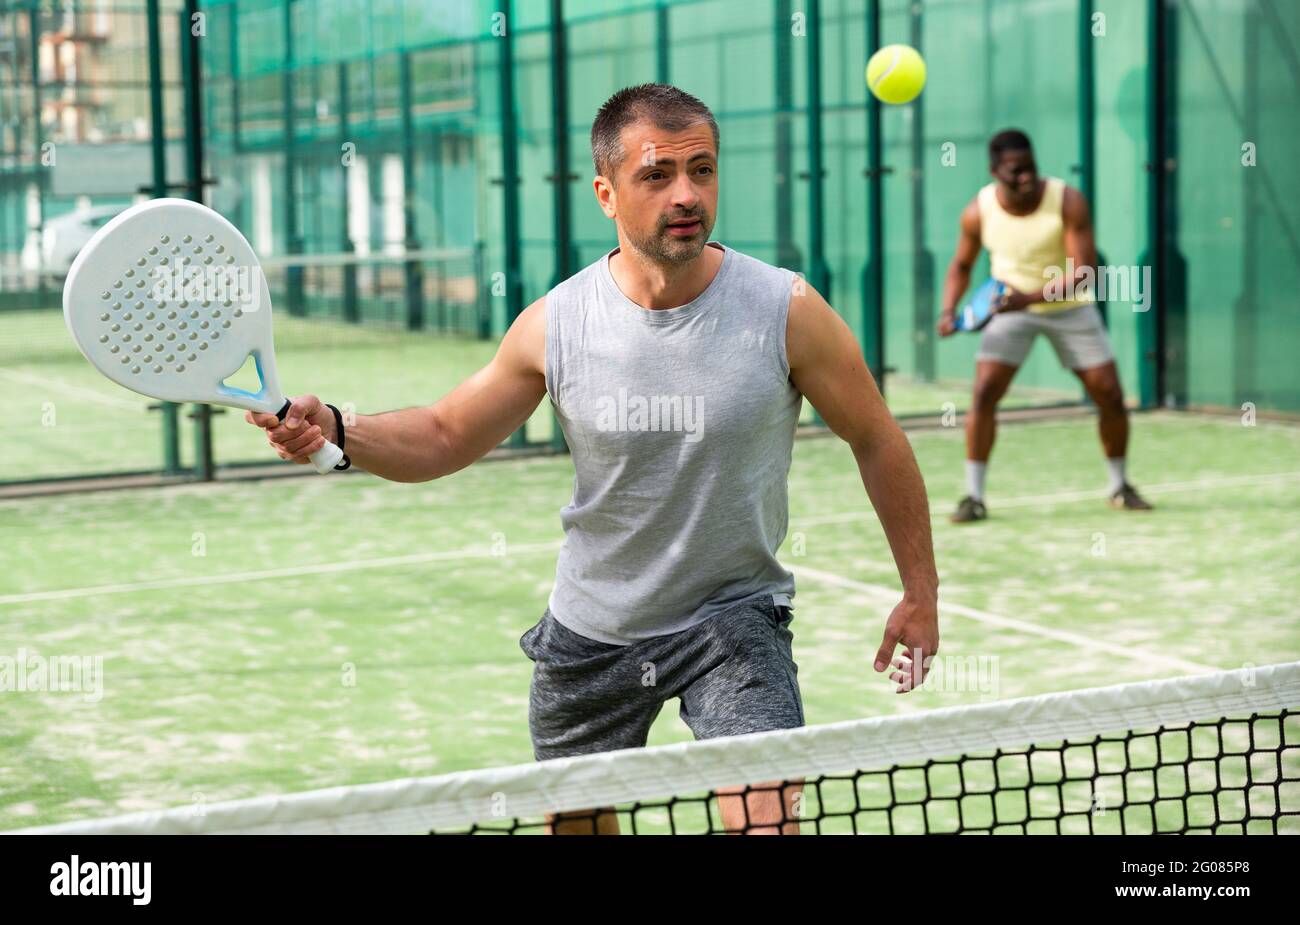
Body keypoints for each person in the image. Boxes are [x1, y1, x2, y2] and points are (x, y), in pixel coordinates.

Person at [246, 84, 940, 834]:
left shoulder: (786, 309)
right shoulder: (557, 323)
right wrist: (342, 429)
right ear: (607, 193)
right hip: (593, 629)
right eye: (657, 175)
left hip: (732, 619)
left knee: (765, 818)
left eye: (702, 170)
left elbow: (876, 436)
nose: (686, 195)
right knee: (575, 825)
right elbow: (447, 434)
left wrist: (920, 587)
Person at [938, 129, 1152, 523]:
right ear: (994, 170)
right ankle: (973, 497)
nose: (1025, 178)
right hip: (1009, 307)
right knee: (984, 393)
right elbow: (962, 266)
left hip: (1067, 305)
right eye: (1015, 171)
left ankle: (1119, 486)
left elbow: (1084, 272)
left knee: (1109, 393)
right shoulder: (977, 211)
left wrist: (1028, 297)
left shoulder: (1067, 201)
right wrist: (948, 310)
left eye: (1030, 168)